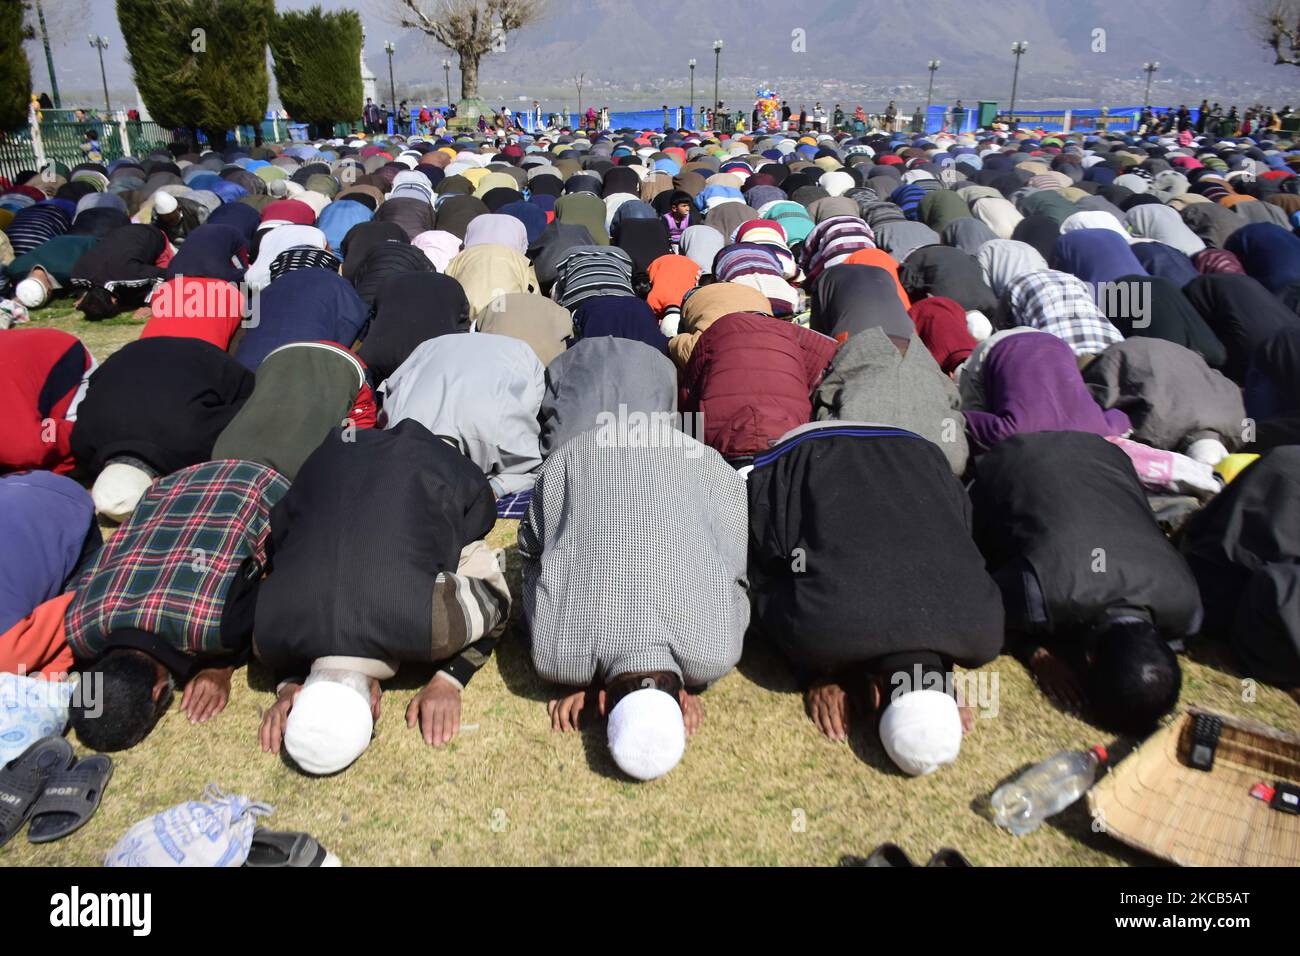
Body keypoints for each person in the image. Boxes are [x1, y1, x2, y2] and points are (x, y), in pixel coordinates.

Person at [254, 420, 510, 773]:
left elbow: (496, 598)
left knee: (465, 543)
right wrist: (285, 685)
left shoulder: (430, 626)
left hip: (434, 459)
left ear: (375, 705)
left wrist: (451, 675)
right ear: (299, 696)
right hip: (335, 454)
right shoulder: (267, 632)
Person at [747, 422, 1003, 773]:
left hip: (916, 445)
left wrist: (933, 680)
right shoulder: (819, 637)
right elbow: (760, 593)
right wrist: (819, 666)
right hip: (803, 447)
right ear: (877, 696)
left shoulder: (985, 635)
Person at [518, 427, 748, 781]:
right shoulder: (557, 655)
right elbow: (530, 559)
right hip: (582, 452)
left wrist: (699, 676)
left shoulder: (716, 652)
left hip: (683, 453)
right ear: (602, 704)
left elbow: (738, 579)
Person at [971, 432, 1201, 732]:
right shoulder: (1041, 594)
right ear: (1089, 660)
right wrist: (1034, 652)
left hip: (1102, 452)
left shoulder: (1187, 604)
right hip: (1012, 458)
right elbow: (979, 608)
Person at [65, 460, 291, 750]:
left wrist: (221, 663)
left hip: (256, 482)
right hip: (174, 482)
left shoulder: (215, 627)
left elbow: (275, 596)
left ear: (159, 693)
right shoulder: (79, 626)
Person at [1180, 447, 1300, 703]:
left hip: (1201, 581)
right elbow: (1278, 588)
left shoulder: (1282, 454)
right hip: (1230, 600)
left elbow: (1197, 528)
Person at [0, 328, 95, 474]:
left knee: (91, 435)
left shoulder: (12, 443)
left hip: (62, 355)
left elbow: (28, 448)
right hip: (18, 357)